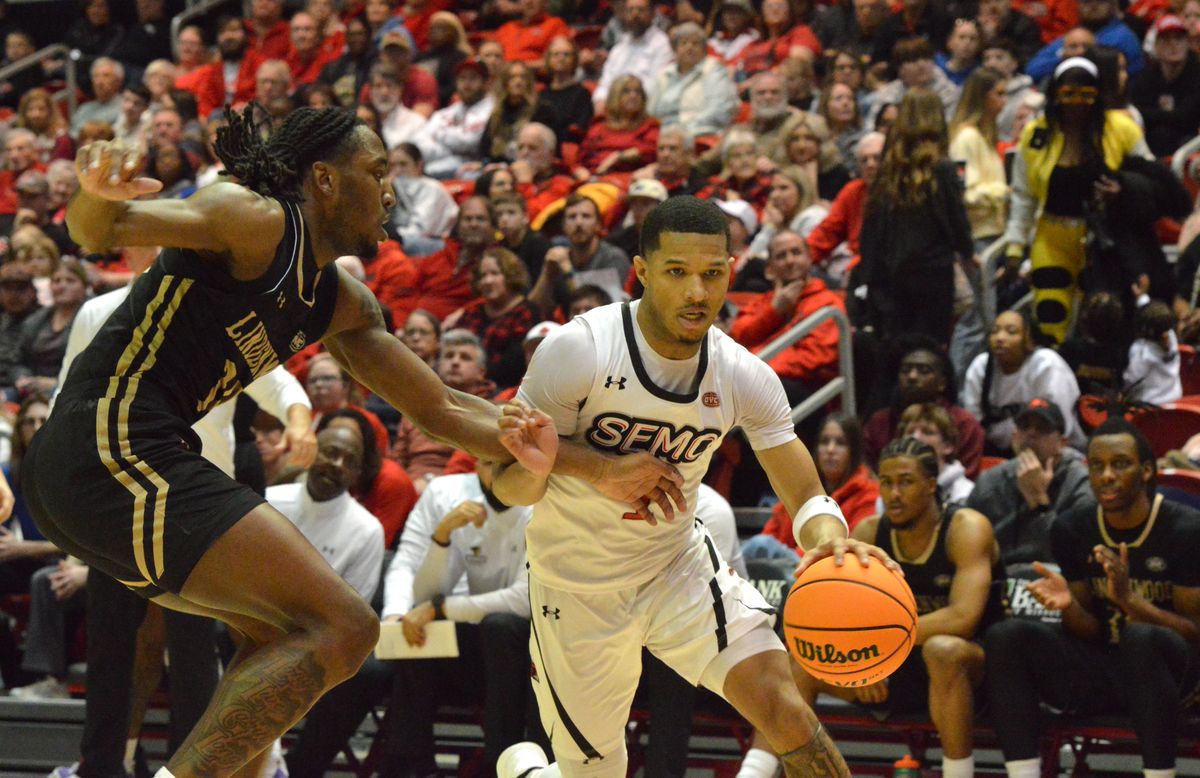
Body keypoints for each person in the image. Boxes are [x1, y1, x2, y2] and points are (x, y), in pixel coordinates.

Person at [21, 105, 677, 778]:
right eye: (376, 170)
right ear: (326, 181)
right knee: (346, 625)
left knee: (283, 634)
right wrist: (96, 192)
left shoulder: (336, 300)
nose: (390, 190)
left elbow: (445, 407)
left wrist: (599, 468)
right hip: (106, 444)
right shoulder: (256, 219)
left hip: (109, 468)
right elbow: (98, 228)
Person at [491, 196, 898, 778]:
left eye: (712, 274)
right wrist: (560, 466)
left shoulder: (740, 374)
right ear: (643, 271)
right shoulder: (579, 348)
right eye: (678, 273)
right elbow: (509, 489)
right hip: (576, 585)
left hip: (676, 567)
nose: (697, 292)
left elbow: (805, 492)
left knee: (783, 707)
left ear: (731, 271)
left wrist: (831, 538)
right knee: (595, 772)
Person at [985, 418, 1200, 778]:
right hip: (1107, 668)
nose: (1106, 476)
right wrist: (1069, 606)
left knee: (1140, 637)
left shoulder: (1186, 530)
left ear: (1146, 471)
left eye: (1120, 464)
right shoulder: (1073, 528)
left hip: (1176, 677)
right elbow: (1091, 632)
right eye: (1097, 466)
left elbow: (1195, 632)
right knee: (1007, 636)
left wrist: (1131, 602)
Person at [787, 437, 1000, 778]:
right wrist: (862, 662)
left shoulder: (966, 528)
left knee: (943, 649)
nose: (894, 493)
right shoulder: (869, 531)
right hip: (895, 668)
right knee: (804, 664)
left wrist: (877, 648)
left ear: (931, 486)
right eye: (886, 482)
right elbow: (844, 613)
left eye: (906, 482)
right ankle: (761, 770)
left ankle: (958, 774)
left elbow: (963, 618)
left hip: (972, 668)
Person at [1001, 57, 1152, 344]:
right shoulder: (1037, 134)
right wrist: (1014, 247)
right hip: (1052, 235)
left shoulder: (1121, 129)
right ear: (1055, 94)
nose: (1077, 103)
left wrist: (1124, 189)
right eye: (1068, 94)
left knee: (1098, 320)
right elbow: (1023, 196)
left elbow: (1152, 180)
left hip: (1103, 239)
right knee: (1049, 314)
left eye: (1086, 95)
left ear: (1098, 95)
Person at [858, 89, 974, 346]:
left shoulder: (887, 169)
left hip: (891, 276)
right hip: (932, 274)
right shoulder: (942, 168)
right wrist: (968, 253)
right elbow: (956, 219)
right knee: (930, 350)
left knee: (897, 350)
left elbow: (872, 226)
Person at [967, 397, 1091, 566]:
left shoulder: (1080, 482)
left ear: (1061, 443)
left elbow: (1076, 554)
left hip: (1056, 577)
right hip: (996, 576)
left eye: (1043, 429)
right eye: (1024, 427)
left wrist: (1040, 501)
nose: (1032, 434)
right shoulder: (990, 481)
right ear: (1014, 436)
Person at [266, 425, 384, 601]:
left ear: (357, 475)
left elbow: (353, 609)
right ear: (312, 453)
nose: (337, 465)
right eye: (331, 453)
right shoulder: (268, 501)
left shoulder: (367, 531)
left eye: (349, 462)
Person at [747, 413, 880, 563]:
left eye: (840, 443)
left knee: (760, 545)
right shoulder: (802, 487)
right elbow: (771, 532)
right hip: (789, 570)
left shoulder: (869, 494)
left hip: (829, 567)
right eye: (824, 442)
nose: (830, 449)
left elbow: (849, 551)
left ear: (854, 451)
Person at [962, 310, 1084, 454]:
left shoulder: (1046, 365)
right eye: (995, 331)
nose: (1000, 338)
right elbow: (974, 421)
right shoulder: (981, 366)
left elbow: (1058, 426)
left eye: (1011, 332)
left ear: (1030, 340)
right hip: (996, 449)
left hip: (1053, 449)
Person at [864, 337, 985, 477]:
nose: (912, 376)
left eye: (924, 370)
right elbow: (867, 473)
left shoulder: (964, 424)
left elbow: (967, 477)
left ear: (942, 383)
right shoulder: (879, 422)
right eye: (905, 370)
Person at [316, 408, 417, 548]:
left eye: (350, 437)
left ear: (366, 444)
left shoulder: (393, 480)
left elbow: (374, 546)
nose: (341, 441)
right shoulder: (321, 473)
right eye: (331, 445)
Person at [447, 247, 540, 391]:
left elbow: (514, 364)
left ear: (510, 276)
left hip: (504, 389)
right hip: (462, 384)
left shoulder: (526, 312)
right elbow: (452, 347)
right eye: (483, 276)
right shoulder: (472, 312)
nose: (487, 281)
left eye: (495, 273)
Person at [411, 58, 494, 180]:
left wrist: (438, 135)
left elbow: (469, 142)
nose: (466, 83)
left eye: (473, 78)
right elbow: (419, 143)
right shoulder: (445, 113)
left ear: (486, 83)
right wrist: (450, 149)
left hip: (472, 171)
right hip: (436, 168)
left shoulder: (491, 111)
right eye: (462, 78)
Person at [593, 0, 674, 109]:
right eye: (630, 10)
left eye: (640, 10)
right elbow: (604, 84)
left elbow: (655, 87)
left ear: (652, 14)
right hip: (613, 111)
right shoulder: (619, 48)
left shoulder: (662, 45)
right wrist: (600, 100)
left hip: (643, 110)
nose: (635, 14)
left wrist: (620, 100)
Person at [578, 76, 660, 176]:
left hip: (629, 178)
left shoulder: (649, 126)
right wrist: (581, 172)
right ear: (615, 96)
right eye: (626, 91)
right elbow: (581, 159)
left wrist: (619, 157)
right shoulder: (598, 126)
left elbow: (651, 150)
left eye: (638, 92)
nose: (633, 96)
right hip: (594, 177)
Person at [386, 142, 459, 257]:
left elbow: (420, 231)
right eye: (392, 166)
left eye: (403, 164)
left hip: (435, 243)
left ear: (419, 165)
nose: (397, 171)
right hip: (404, 240)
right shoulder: (391, 189)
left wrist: (391, 236)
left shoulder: (431, 188)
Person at [896, 402, 975, 503]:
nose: (915, 437)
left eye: (927, 432)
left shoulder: (966, 495)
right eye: (910, 432)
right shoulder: (889, 496)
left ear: (947, 446)